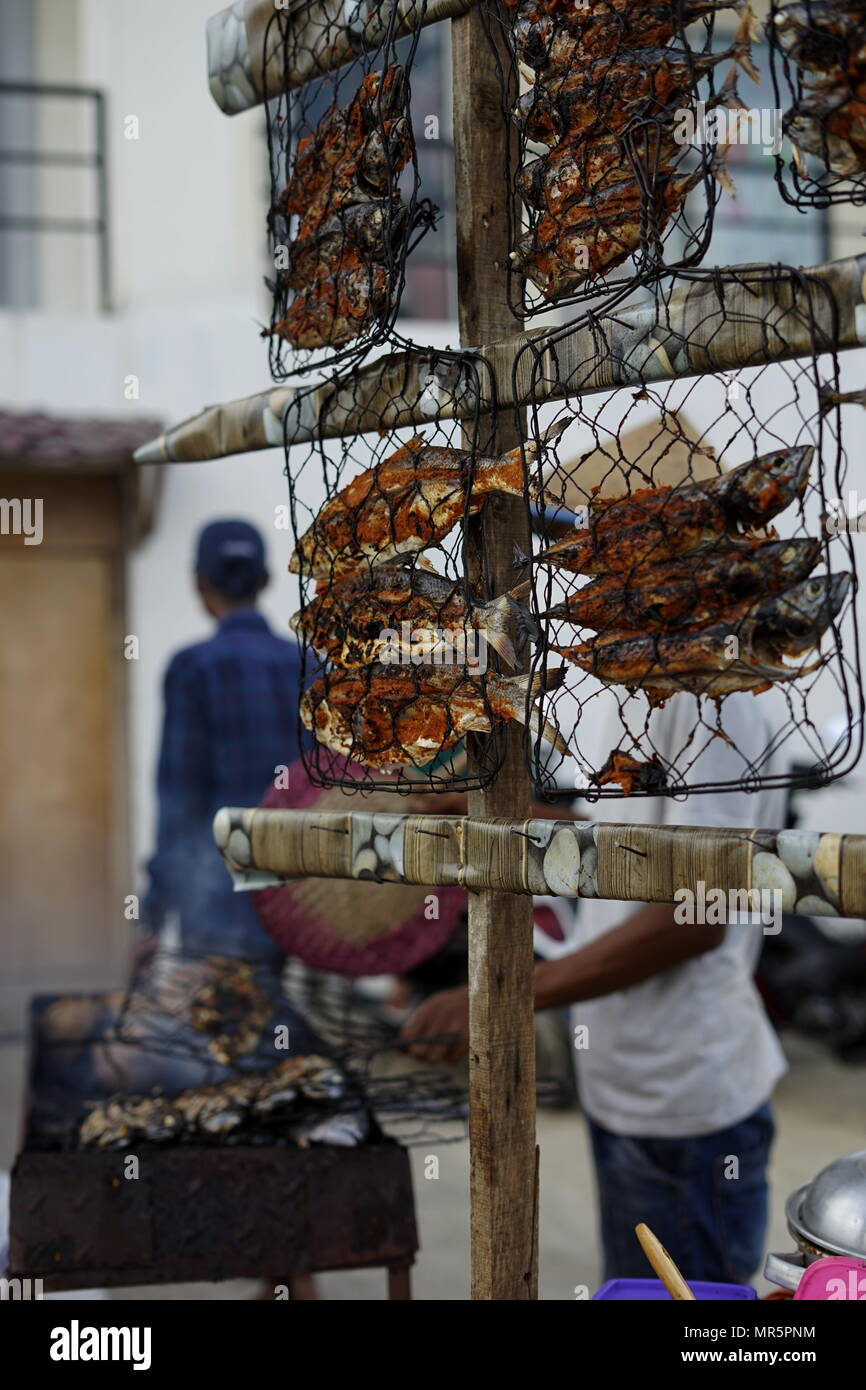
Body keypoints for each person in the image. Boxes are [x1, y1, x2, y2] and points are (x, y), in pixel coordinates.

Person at [401, 689, 789, 1287]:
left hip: (684, 1104)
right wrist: (498, 821)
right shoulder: (635, 695)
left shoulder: (719, 701)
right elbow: (627, 841)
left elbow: (695, 919)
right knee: (631, 1287)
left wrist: (495, 1001)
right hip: (621, 1085)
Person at [143, 518, 302, 966]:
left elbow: (178, 797)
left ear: (199, 584)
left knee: (225, 1022)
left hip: (219, 892)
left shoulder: (192, 668)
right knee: (283, 1024)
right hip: (304, 892)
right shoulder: (311, 664)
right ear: (266, 581)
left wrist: (154, 907)